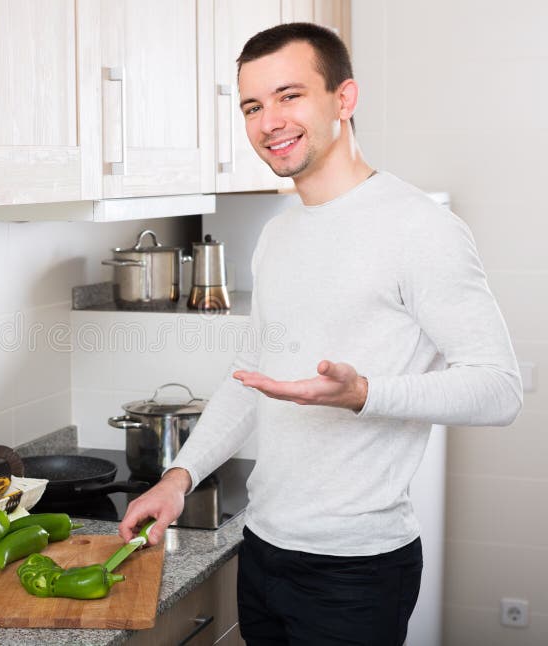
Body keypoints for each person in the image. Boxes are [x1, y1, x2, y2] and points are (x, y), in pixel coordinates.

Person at [118, 22, 523, 646]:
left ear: (344, 99)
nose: (269, 120)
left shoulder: (420, 228)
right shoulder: (280, 234)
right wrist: (180, 477)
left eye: (289, 95)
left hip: (356, 574)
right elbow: (247, 378)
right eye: (253, 106)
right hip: (265, 549)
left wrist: (364, 393)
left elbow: (500, 389)